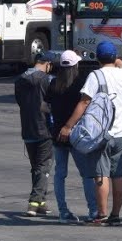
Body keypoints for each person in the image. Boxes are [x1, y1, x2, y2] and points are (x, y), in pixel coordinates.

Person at [59, 40, 122, 226]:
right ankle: (115, 215)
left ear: (97, 58)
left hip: (101, 134)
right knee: (118, 174)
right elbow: (121, 65)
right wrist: (118, 62)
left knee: (101, 175)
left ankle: (102, 215)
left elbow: (84, 102)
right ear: (115, 57)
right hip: (121, 132)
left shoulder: (95, 75)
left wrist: (68, 126)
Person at [47, 50, 97, 223]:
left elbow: (46, 105)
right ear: (76, 65)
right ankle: (93, 210)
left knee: (60, 174)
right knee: (87, 174)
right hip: (77, 134)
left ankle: (63, 211)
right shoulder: (80, 83)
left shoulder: (54, 83)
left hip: (57, 134)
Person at [14, 51, 55, 217]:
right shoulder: (47, 80)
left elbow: (19, 101)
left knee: (36, 167)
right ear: (48, 64)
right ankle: (34, 201)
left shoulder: (20, 79)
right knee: (43, 166)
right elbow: (51, 103)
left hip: (27, 126)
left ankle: (41, 202)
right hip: (44, 127)